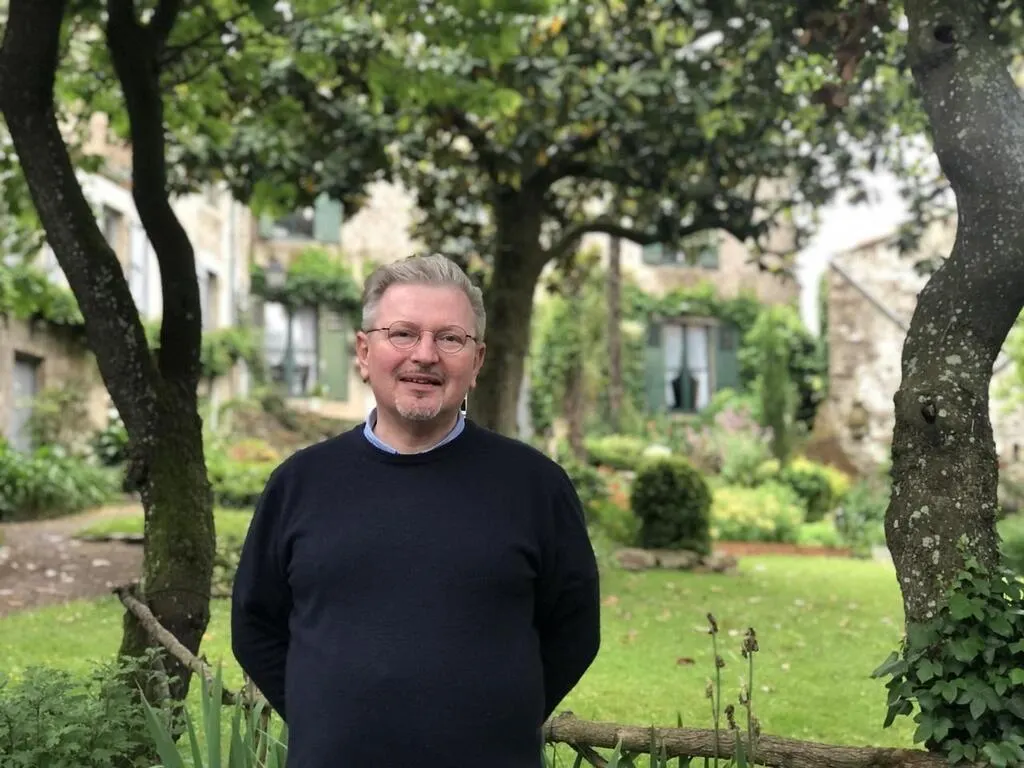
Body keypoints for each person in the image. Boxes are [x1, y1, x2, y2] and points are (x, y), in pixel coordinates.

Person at [231, 253, 601, 767]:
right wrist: (324, 716)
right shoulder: (300, 483)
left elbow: (575, 631)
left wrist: (501, 720)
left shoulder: (535, 487)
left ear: (477, 362)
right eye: (402, 334)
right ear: (364, 352)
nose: (424, 355)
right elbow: (255, 624)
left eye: (450, 338)